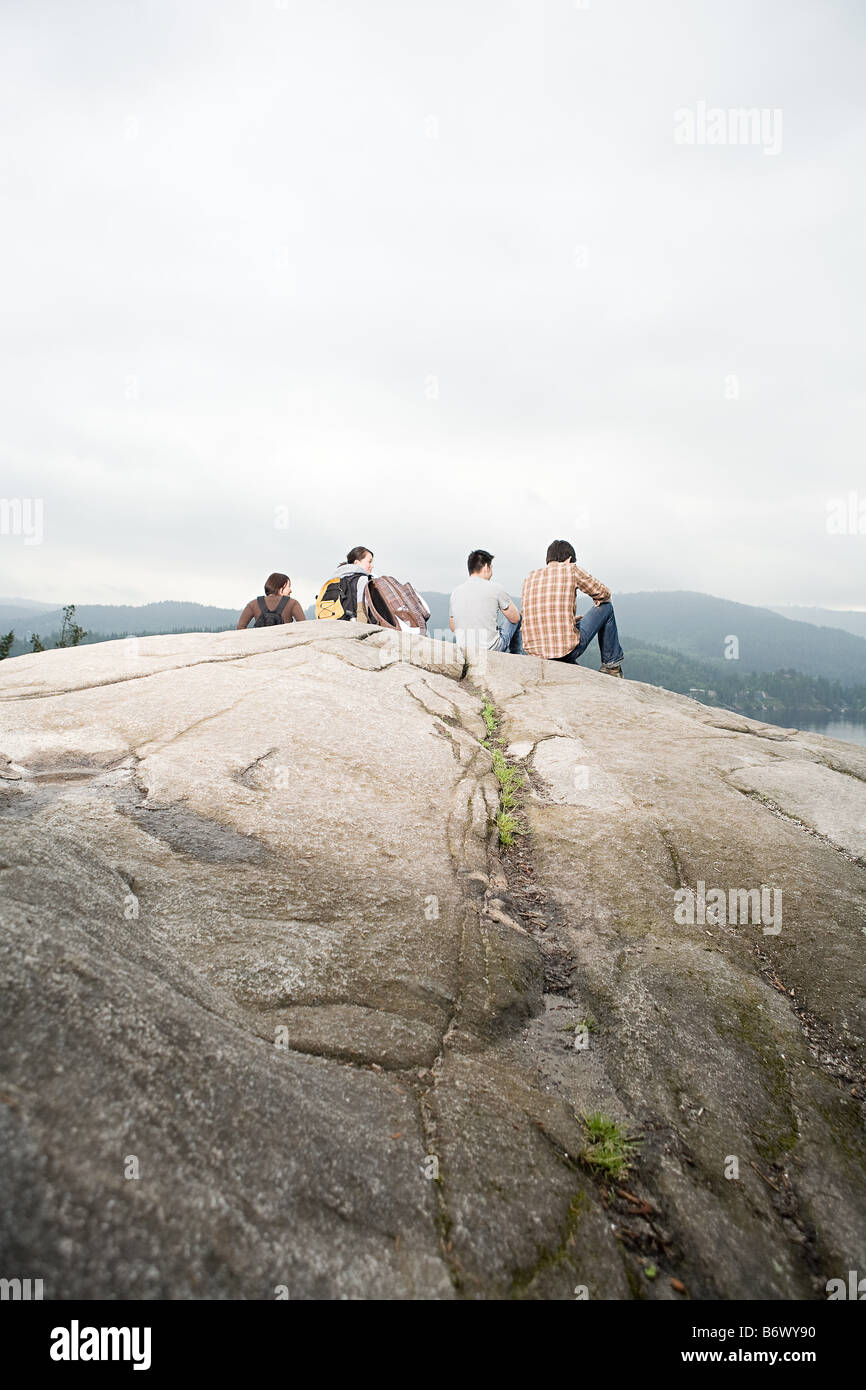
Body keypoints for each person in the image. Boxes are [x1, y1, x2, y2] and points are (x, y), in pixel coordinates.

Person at [520, 540, 624, 675]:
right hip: (564, 652)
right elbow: (603, 592)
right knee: (606, 607)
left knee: (575, 625)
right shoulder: (570, 569)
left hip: (534, 653)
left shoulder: (529, 577)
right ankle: (612, 666)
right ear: (569, 559)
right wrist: (599, 599)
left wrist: (570, 620)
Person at [449, 549, 522, 656]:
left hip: (464, 649)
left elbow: (453, 626)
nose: (492, 572)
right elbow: (515, 618)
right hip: (490, 650)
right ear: (486, 567)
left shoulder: (455, 592)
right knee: (518, 617)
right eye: (491, 568)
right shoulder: (496, 588)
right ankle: (517, 657)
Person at [237, 573, 306, 629]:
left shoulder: (253, 604)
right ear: (282, 586)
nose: (291, 590)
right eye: (289, 586)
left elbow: (240, 627)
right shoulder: (293, 603)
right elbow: (304, 627)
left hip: (260, 644)